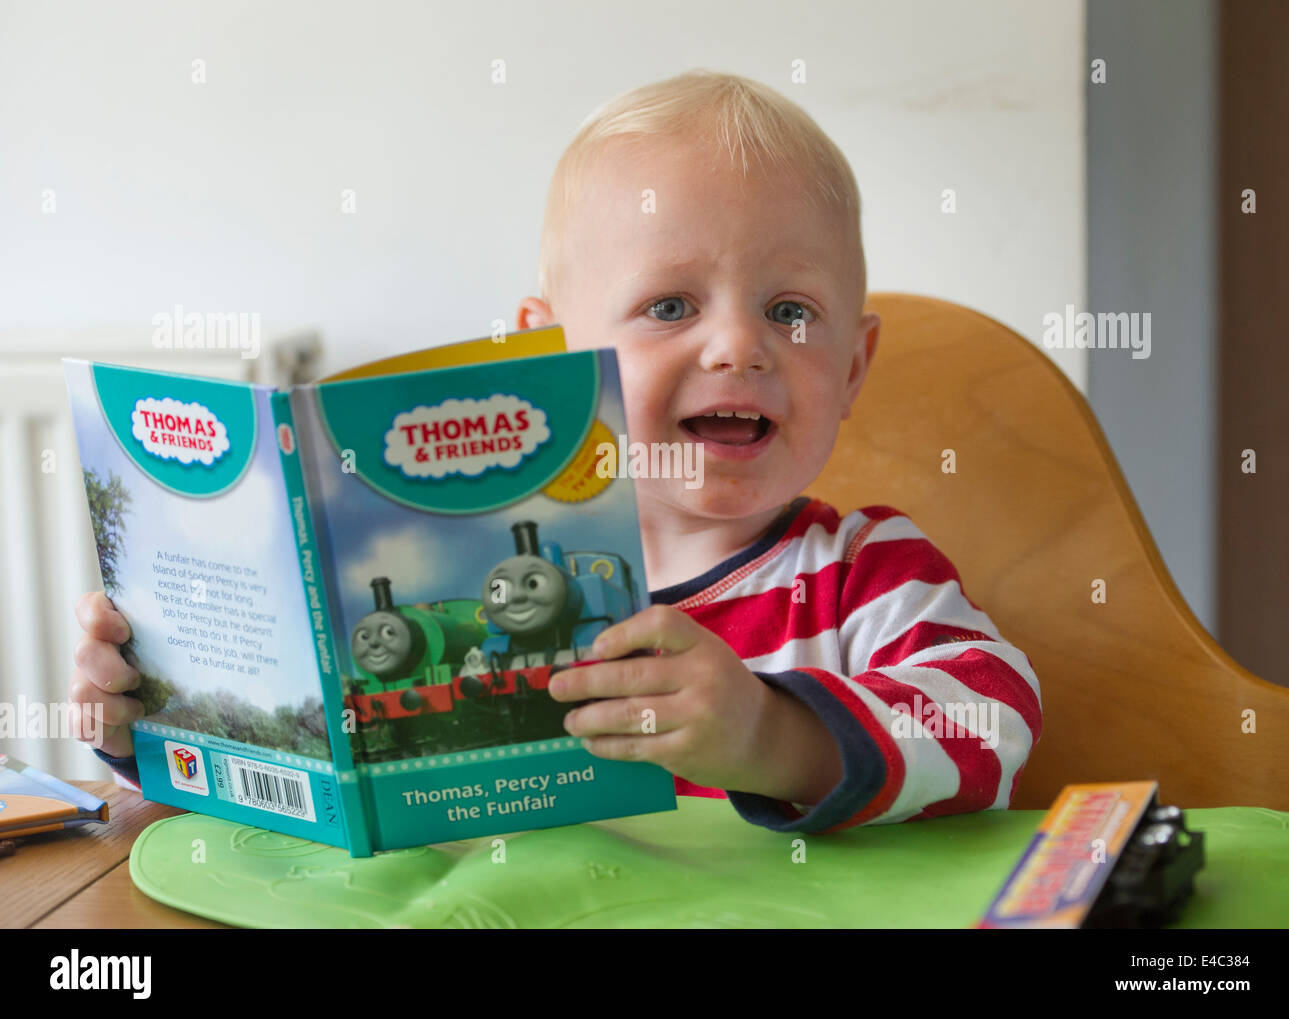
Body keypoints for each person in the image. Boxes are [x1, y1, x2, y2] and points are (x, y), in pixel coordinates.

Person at [71, 70, 1041, 833]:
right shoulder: (478, 579)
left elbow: (992, 723)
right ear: (555, 356)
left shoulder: (864, 576)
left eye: (792, 310)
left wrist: (773, 736)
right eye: (671, 305)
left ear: (854, 365)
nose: (739, 345)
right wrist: (150, 729)